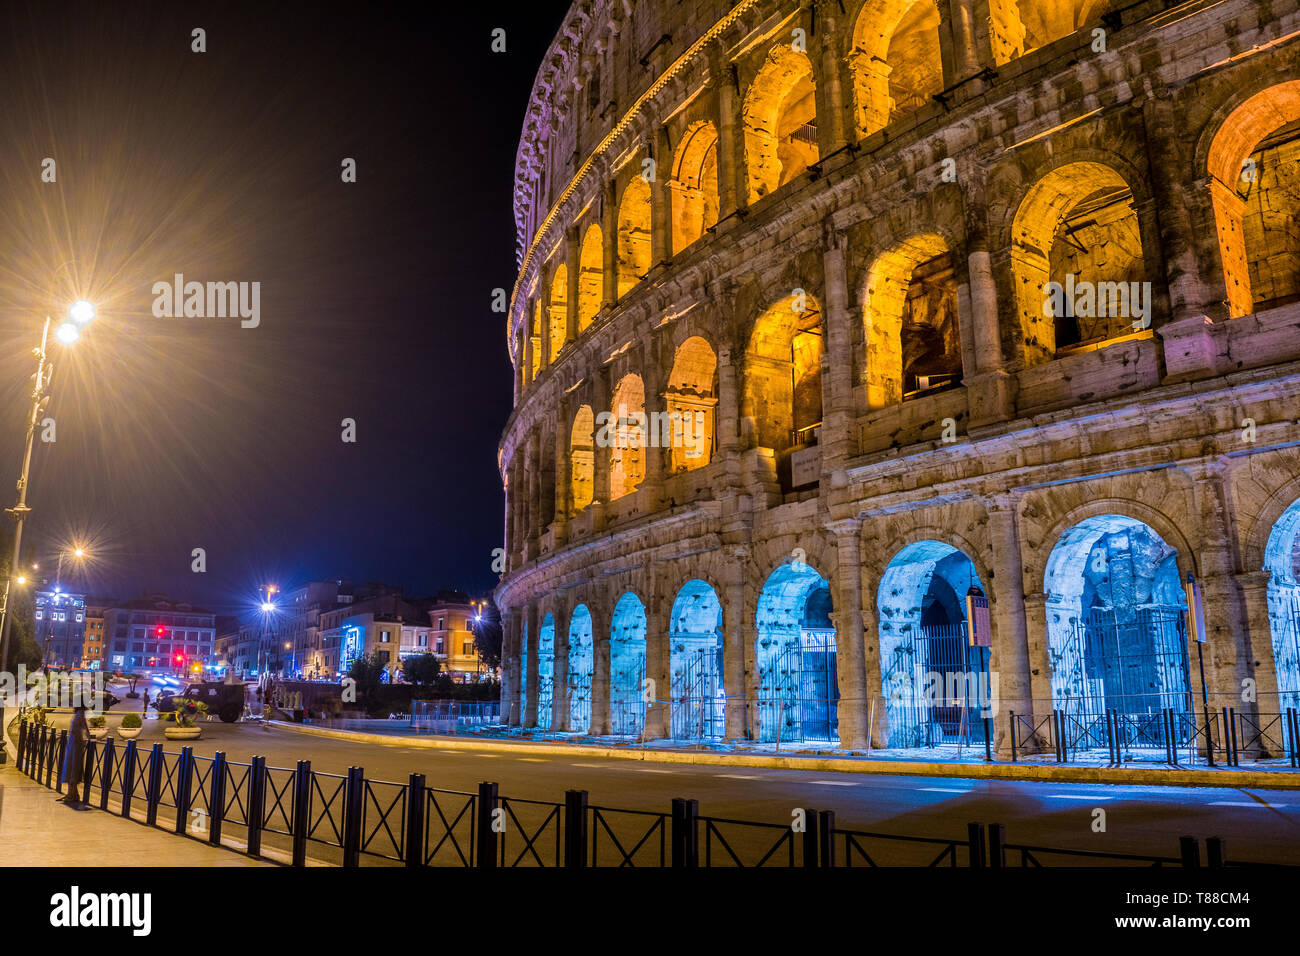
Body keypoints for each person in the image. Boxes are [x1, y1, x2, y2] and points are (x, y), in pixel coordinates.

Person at [61, 705, 91, 810]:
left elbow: (84, 727)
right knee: (70, 767)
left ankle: (72, 794)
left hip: (75, 744)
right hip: (73, 743)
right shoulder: (79, 714)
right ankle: (72, 793)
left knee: (73, 767)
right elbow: (84, 727)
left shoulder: (80, 714)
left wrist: (88, 735)